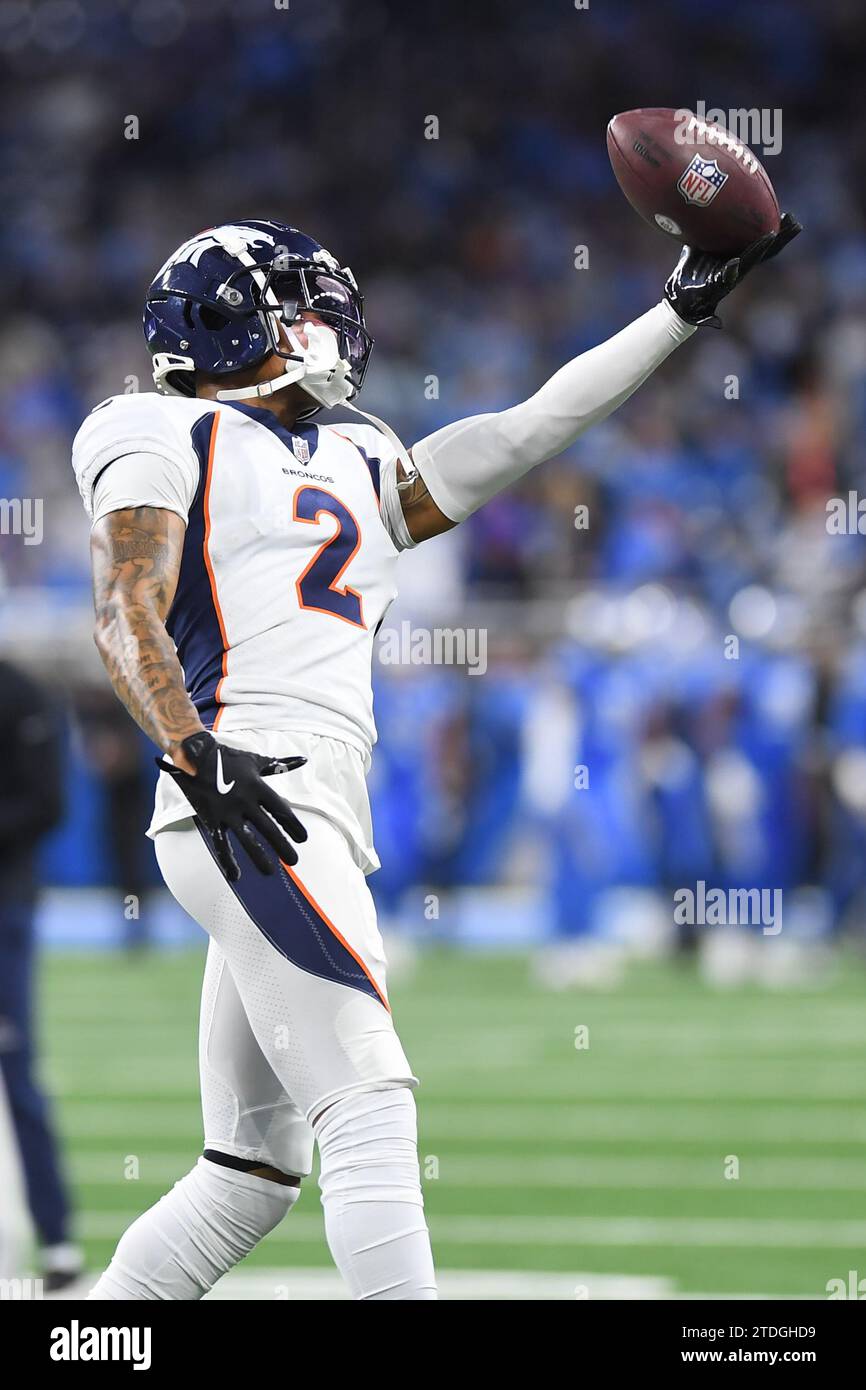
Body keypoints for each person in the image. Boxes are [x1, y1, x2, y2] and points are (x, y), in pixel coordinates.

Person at [71, 215, 799, 1300]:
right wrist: (194, 751)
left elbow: (525, 428)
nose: (326, 323)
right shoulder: (152, 428)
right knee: (367, 1100)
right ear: (226, 320)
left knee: (250, 1172)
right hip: (252, 791)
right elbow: (124, 606)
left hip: (301, 797)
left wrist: (677, 311)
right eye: (298, 301)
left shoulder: (355, 452)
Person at [0, 658, 82, 1290]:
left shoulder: (22, 691)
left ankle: (56, 1238)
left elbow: (47, 801)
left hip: (5, 904)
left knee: (16, 1070)